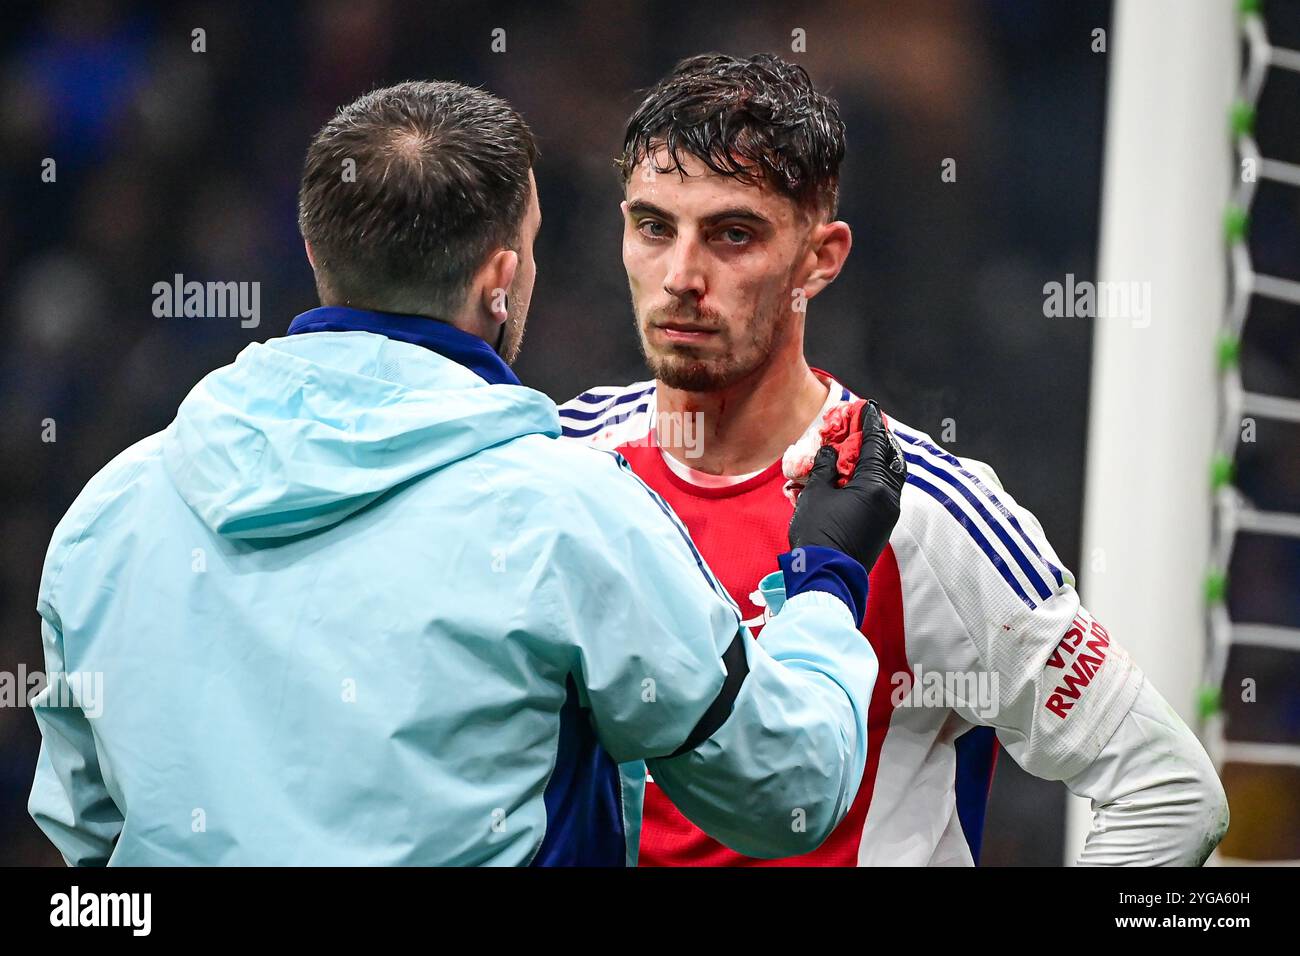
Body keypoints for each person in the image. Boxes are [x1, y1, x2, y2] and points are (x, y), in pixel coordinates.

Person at [28, 80, 907, 866]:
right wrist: (825, 579)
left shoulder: (108, 513)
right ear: (504, 277)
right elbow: (786, 791)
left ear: (313, 253)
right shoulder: (573, 515)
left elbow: (90, 839)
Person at [558, 53, 1229, 866]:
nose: (681, 277)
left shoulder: (930, 511)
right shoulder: (565, 461)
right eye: (654, 227)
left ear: (820, 258)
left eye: (733, 234)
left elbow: (1169, 792)